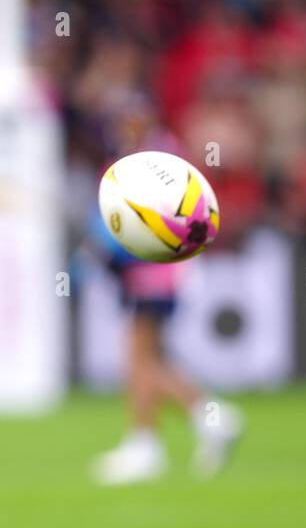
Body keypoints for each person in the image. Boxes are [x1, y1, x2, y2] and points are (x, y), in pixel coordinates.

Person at [87, 206, 243, 483]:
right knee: (149, 360)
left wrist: (101, 247)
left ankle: (164, 436)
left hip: (151, 272)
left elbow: (120, 228)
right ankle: (156, 438)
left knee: (141, 360)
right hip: (162, 270)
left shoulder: (135, 174)